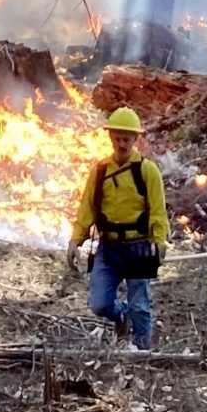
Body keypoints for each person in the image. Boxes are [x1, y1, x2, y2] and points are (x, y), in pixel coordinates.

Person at [66, 107, 170, 350]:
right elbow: (87, 208)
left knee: (140, 306)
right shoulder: (100, 171)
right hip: (108, 248)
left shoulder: (147, 171)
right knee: (99, 304)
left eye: (127, 139)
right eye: (117, 138)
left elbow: (157, 210)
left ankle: (143, 353)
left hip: (140, 246)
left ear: (136, 139)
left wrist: (159, 241)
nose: (121, 144)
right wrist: (75, 239)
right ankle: (120, 316)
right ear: (110, 137)